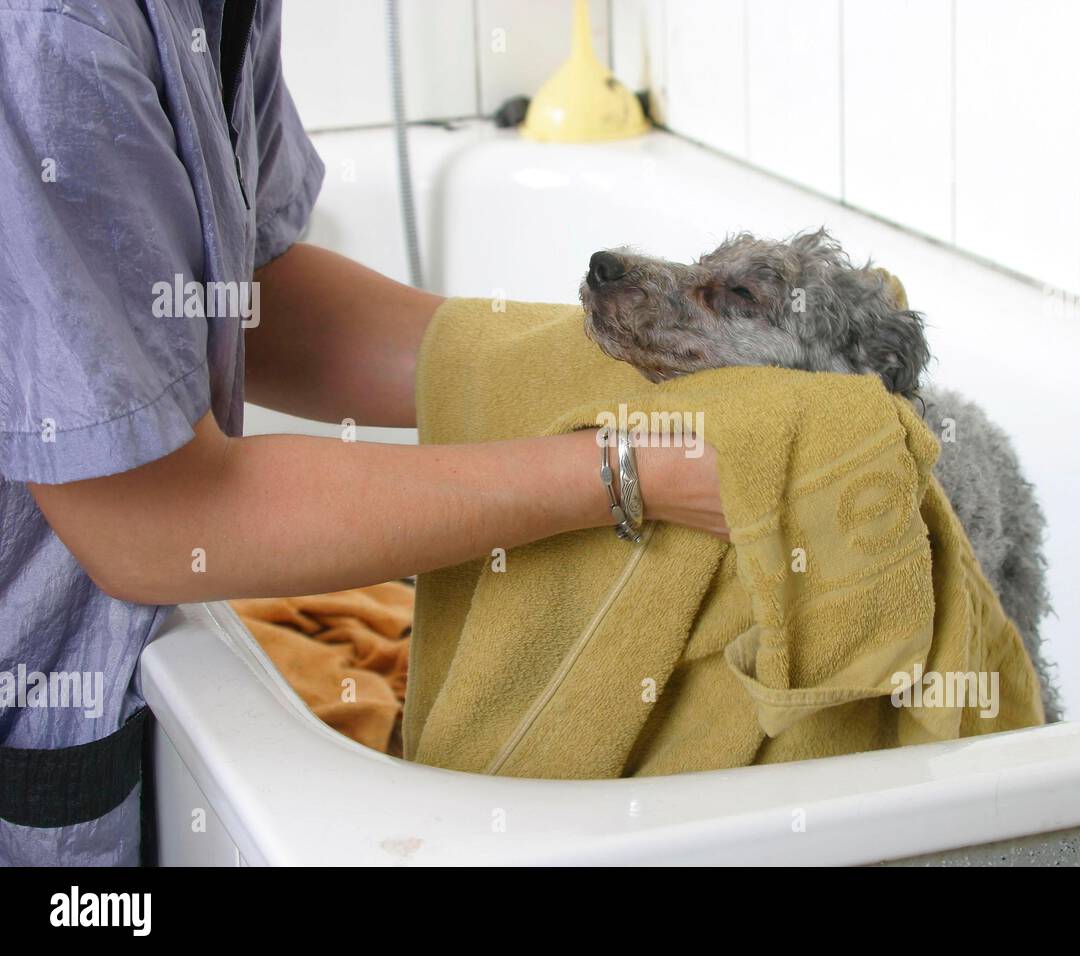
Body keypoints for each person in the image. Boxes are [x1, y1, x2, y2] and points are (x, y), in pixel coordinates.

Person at [0, 0, 726, 866]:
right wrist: (626, 472)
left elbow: (246, 303)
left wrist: (617, 364)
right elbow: (151, 520)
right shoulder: (48, 34)